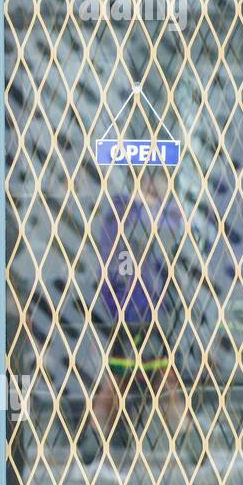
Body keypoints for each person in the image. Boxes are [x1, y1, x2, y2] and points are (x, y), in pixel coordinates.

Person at [86, 172, 186, 462]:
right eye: (158, 179)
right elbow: (115, 258)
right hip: (129, 314)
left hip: (152, 314)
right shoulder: (122, 212)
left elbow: (172, 235)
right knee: (121, 381)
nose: (163, 187)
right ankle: (93, 439)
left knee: (161, 381)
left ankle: (188, 442)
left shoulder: (163, 214)